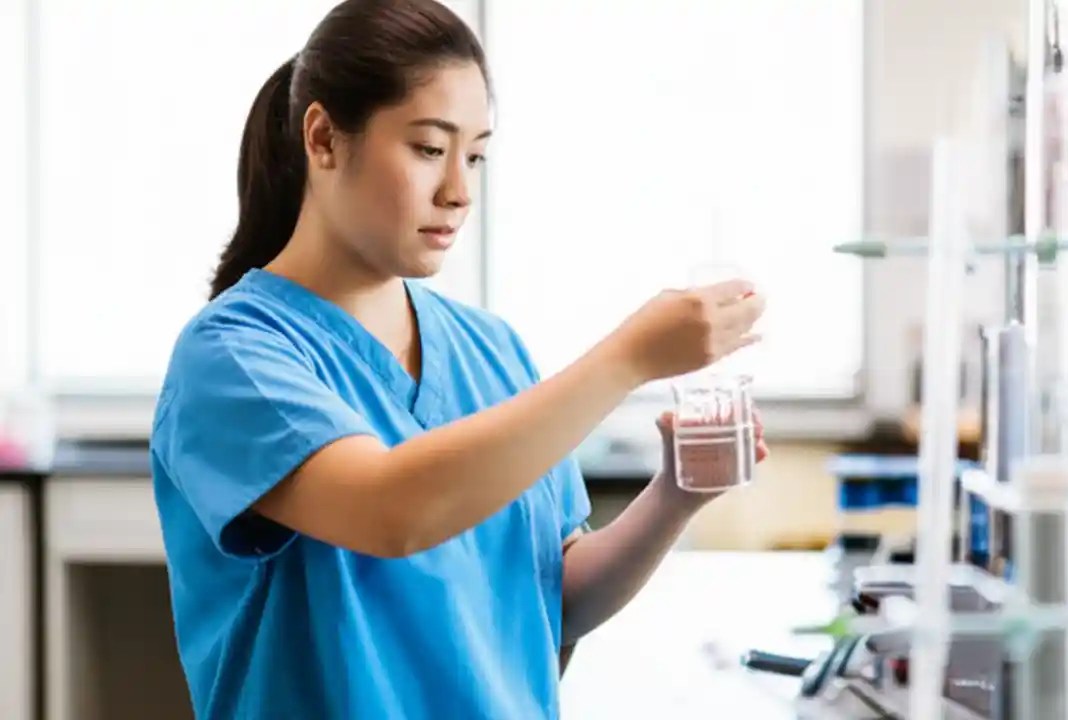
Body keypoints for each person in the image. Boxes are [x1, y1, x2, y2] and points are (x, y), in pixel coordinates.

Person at [148, 1, 768, 718]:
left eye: (474, 154)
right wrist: (629, 358)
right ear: (322, 138)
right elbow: (391, 510)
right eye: (427, 148)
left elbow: (552, 599)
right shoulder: (233, 357)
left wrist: (675, 496)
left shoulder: (491, 351)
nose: (459, 191)